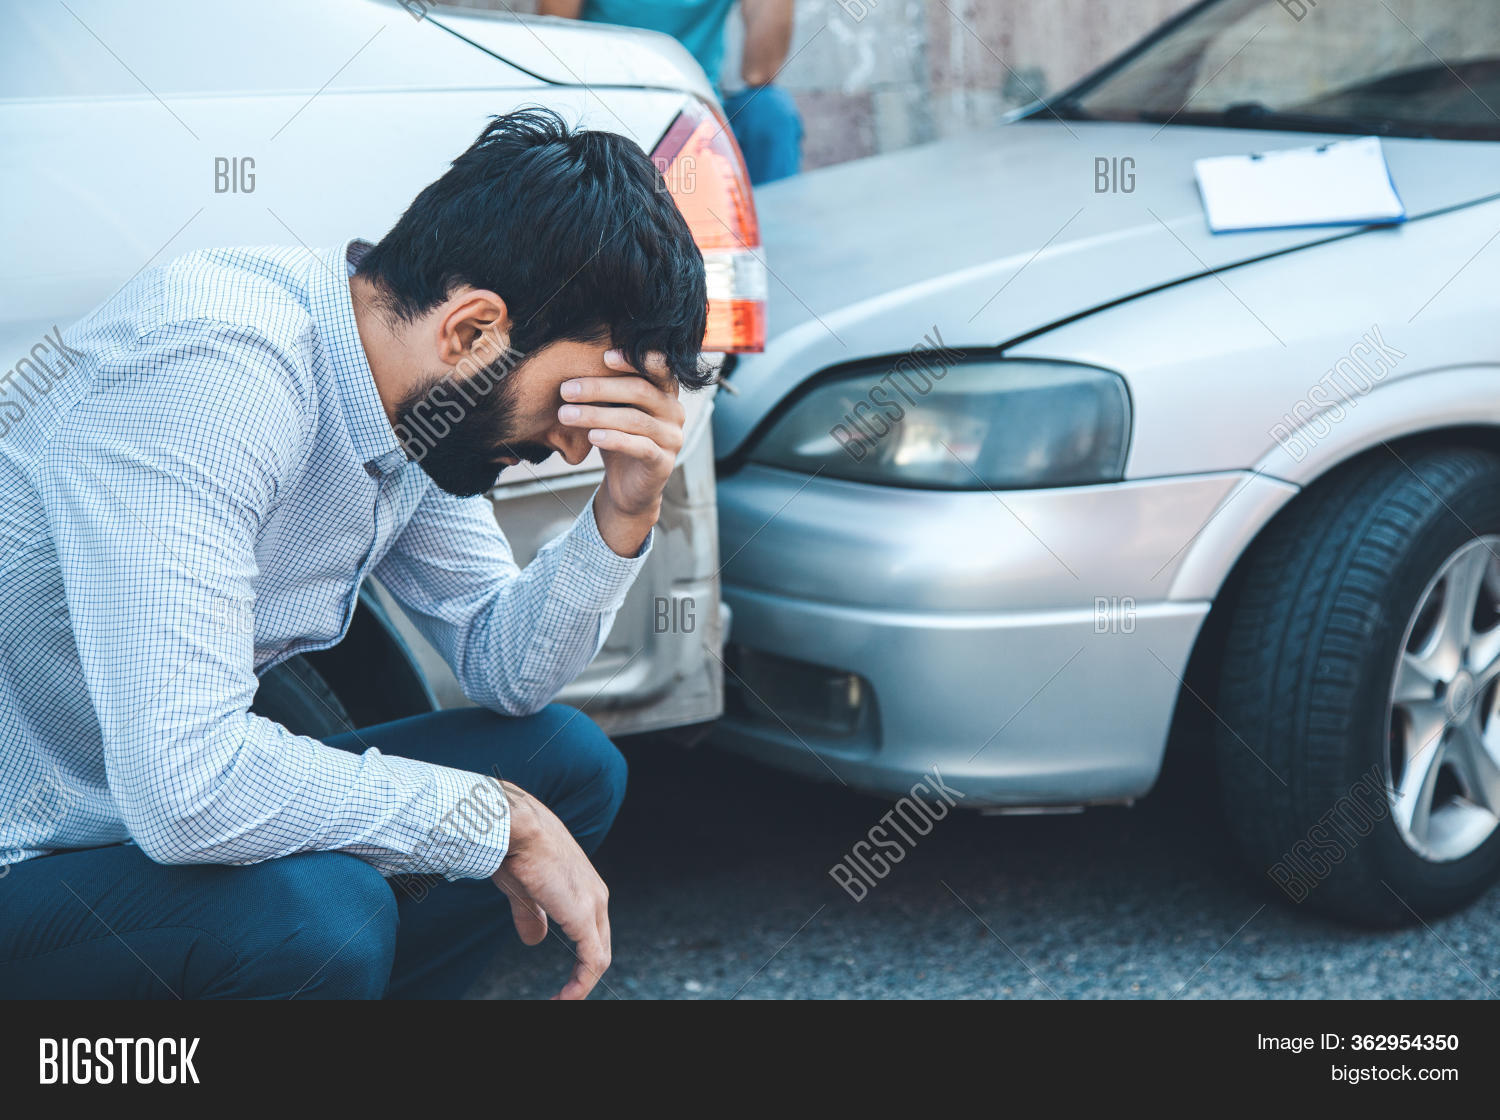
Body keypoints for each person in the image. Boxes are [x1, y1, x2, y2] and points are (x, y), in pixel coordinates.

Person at [0, 108, 708, 1000]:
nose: (577, 445)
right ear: (472, 331)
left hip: (128, 814)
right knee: (318, 916)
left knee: (566, 766)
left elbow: (508, 670)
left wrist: (625, 510)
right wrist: (494, 822)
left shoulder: (410, 397)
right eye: (575, 400)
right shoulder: (217, 374)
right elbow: (187, 783)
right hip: (28, 845)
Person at [541, 0, 803, 185]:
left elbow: (760, 72)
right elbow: (554, 42)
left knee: (771, 112)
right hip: (605, 112)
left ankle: (769, 254)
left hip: (698, 117)